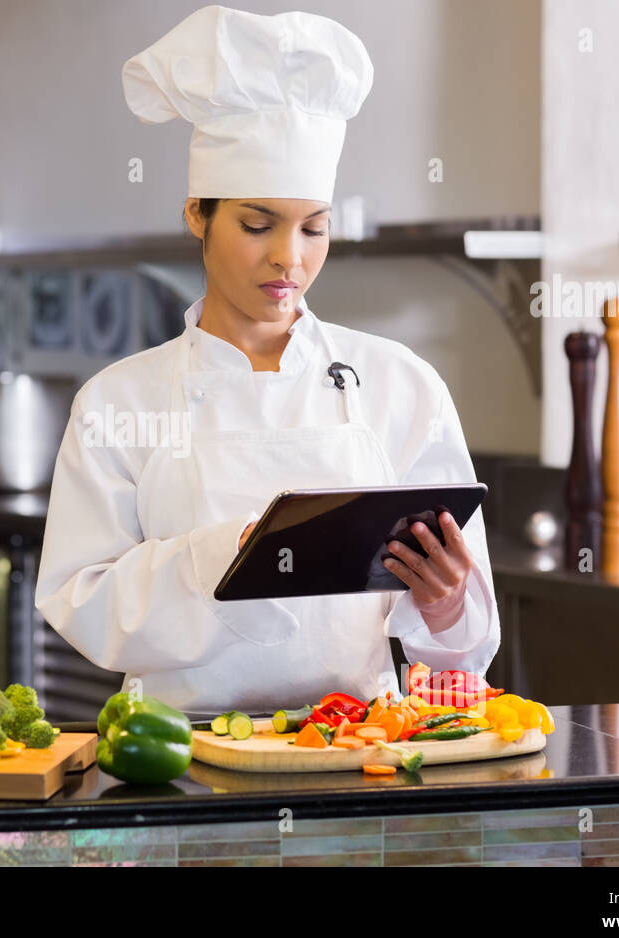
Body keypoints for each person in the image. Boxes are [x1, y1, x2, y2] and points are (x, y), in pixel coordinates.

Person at [34, 5, 500, 714]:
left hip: (357, 747)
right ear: (197, 212)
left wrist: (445, 605)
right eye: (257, 224)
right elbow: (81, 600)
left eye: (315, 228)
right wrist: (231, 555)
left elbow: (462, 654)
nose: (290, 257)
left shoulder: (400, 386)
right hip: (176, 750)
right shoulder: (118, 402)